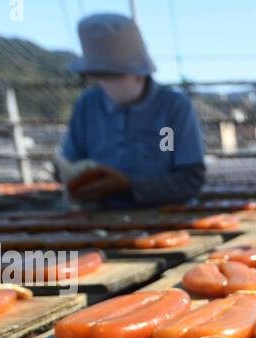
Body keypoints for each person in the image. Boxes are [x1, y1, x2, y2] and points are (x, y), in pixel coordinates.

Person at [59, 13, 205, 207]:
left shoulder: (171, 109)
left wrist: (129, 185)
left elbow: (189, 180)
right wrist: (72, 178)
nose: (106, 84)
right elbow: (69, 165)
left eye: (113, 76)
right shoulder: (87, 106)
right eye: (100, 76)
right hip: (100, 216)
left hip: (165, 215)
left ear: (139, 73)